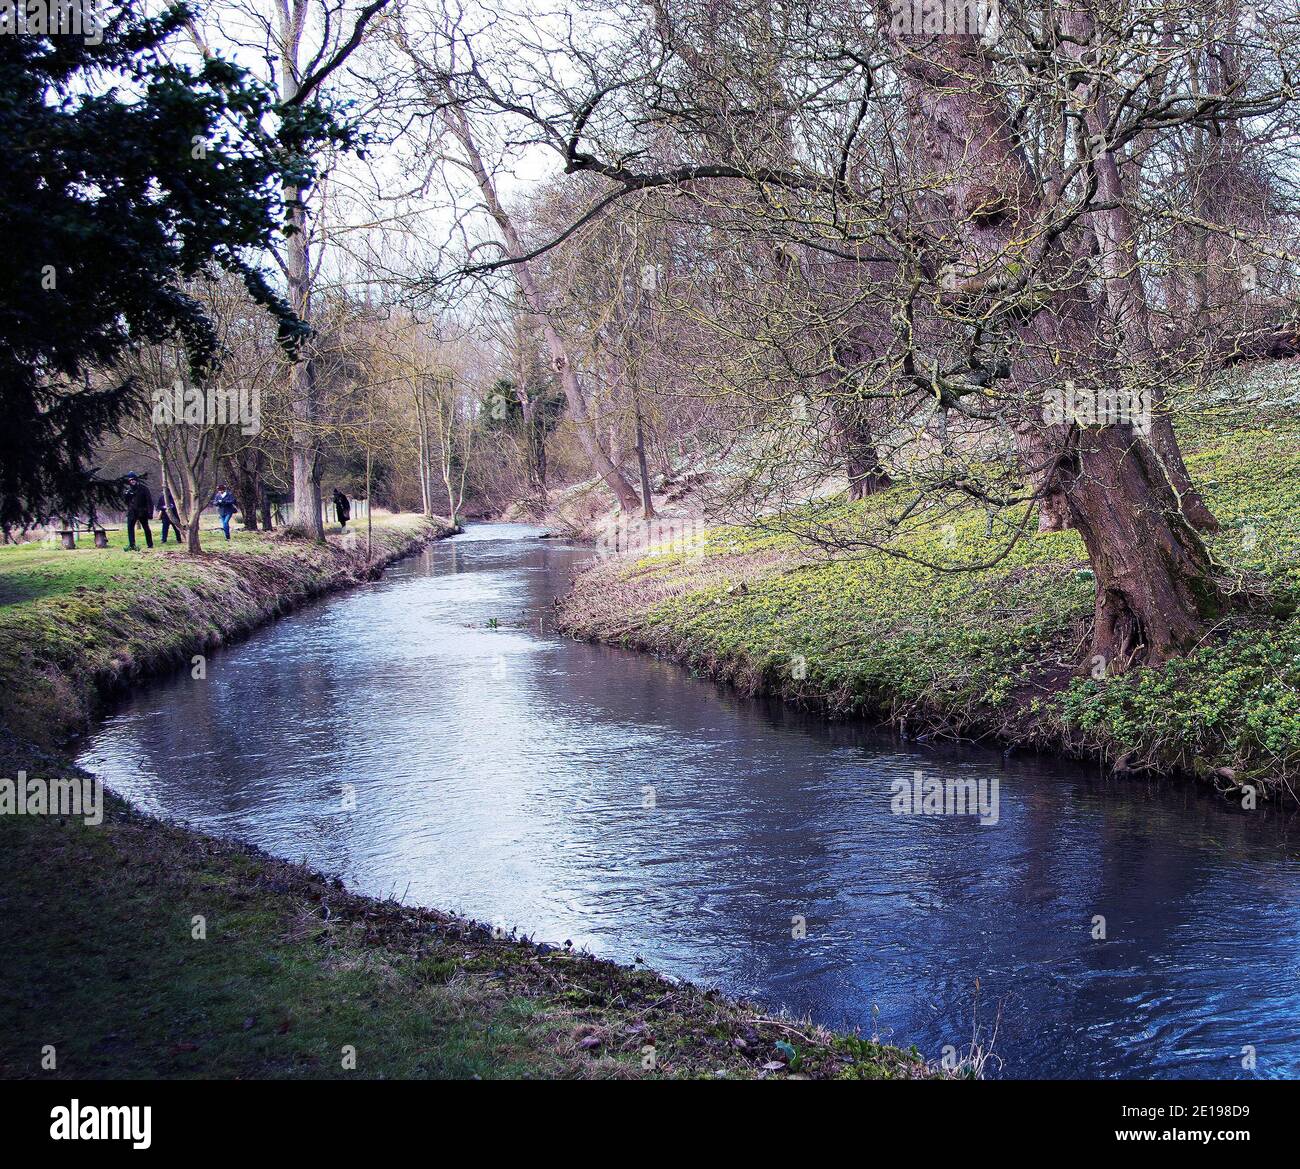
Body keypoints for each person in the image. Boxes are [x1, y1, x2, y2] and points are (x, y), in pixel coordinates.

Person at [123, 473, 153, 550]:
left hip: (142, 511)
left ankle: (150, 544)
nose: (132, 481)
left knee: (146, 527)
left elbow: (149, 501)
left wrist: (150, 512)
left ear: (136, 480)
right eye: (130, 480)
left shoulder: (143, 488)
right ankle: (132, 544)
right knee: (130, 528)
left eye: (133, 479)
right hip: (132, 512)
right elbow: (126, 502)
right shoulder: (128, 490)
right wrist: (127, 495)